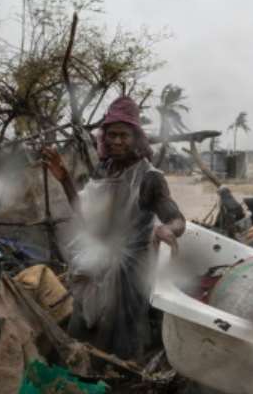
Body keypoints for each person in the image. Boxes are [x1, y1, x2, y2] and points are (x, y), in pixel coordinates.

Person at [43, 96, 185, 361]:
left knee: (124, 330)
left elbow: (177, 218)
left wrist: (168, 230)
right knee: (87, 323)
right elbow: (85, 214)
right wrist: (64, 179)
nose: (117, 141)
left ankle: (125, 374)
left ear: (137, 138)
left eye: (124, 135)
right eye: (112, 135)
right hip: (99, 259)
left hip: (131, 267)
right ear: (103, 137)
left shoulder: (150, 178)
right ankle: (89, 366)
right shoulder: (103, 170)